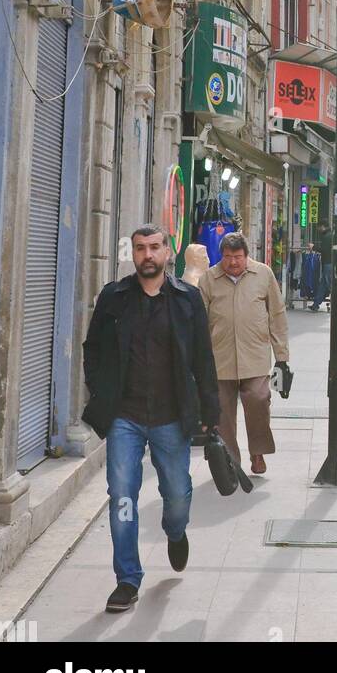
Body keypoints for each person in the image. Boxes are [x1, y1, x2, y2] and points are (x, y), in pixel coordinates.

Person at [81, 224, 219, 614]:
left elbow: (203, 358)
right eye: (140, 248)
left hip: (171, 417)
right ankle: (127, 578)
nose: (147, 255)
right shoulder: (114, 297)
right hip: (125, 417)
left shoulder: (187, 299)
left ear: (167, 252)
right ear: (133, 253)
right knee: (122, 496)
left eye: (154, 247)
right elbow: (93, 348)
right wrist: (99, 390)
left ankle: (175, 531)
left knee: (176, 495)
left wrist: (211, 412)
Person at [199, 233, 290, 476]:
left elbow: (277, 315)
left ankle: (258, 451)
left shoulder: (263, 274)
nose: (233, 262)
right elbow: (198, 321)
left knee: (259, 400)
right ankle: (230, 460)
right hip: (220, 357)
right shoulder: (208, 279)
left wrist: (282, 357)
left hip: (255, 354)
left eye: (238, 257)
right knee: (223, 411)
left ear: (246, 256)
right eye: (228, 257)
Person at [310, 222, 334, 311]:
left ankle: (336, 304)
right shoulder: (329, 235)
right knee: (323, 284)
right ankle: (316, 304)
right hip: (328, 262)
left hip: (328, 263)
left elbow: (324, 250)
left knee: (329, 284)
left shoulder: (327, 236)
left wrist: (313, 247)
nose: (318, 229)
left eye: (319, 227)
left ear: (323, 226)